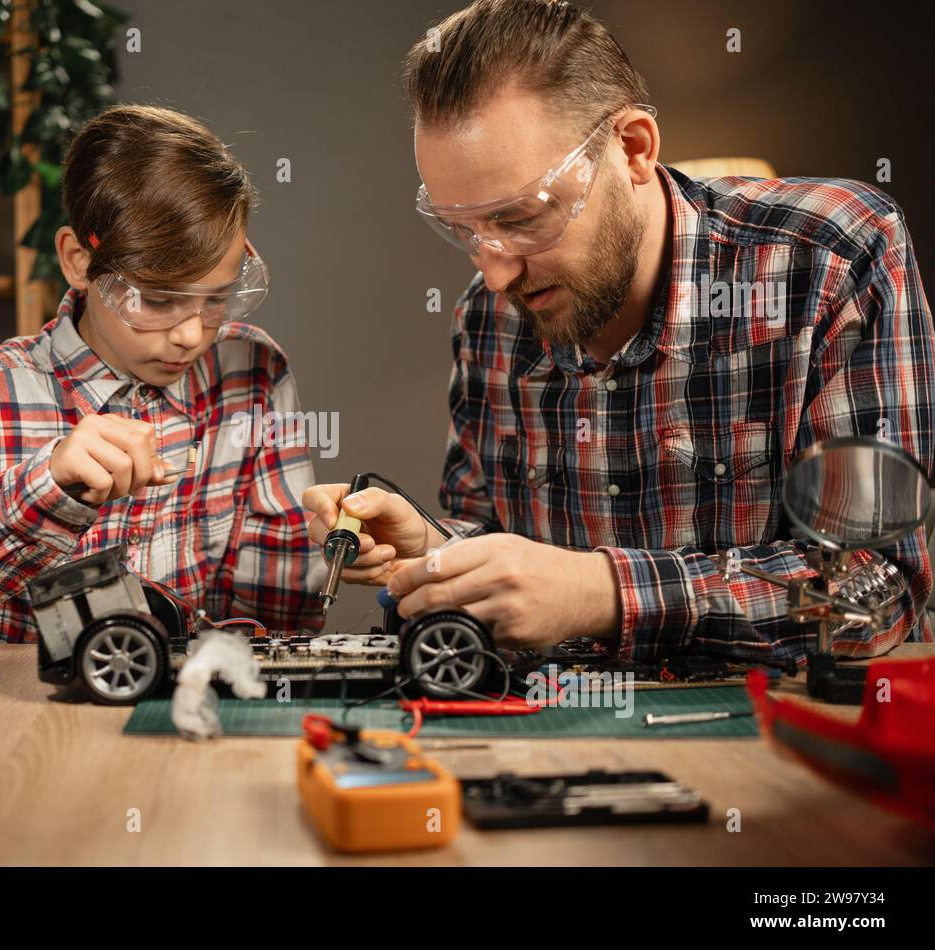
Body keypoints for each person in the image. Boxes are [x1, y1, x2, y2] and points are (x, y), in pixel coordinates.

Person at [306, 0, 934, 665]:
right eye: (463, 230)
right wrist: (439, 552)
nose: (495, 274)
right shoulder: (490, 319)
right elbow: (496, 544)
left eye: (522, 217)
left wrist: (604, 592)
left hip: (784, 744)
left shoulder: (832, 257)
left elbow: (876, 588)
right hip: (557, 738)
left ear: (633, 148)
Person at [0, 105, 324, 653]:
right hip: (12, 730)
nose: (191, 335)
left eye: (217, 299)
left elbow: (280, 621)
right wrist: (41, 491)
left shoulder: (251, 373)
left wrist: (329, 544)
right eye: (157, 300)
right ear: (78, 260)